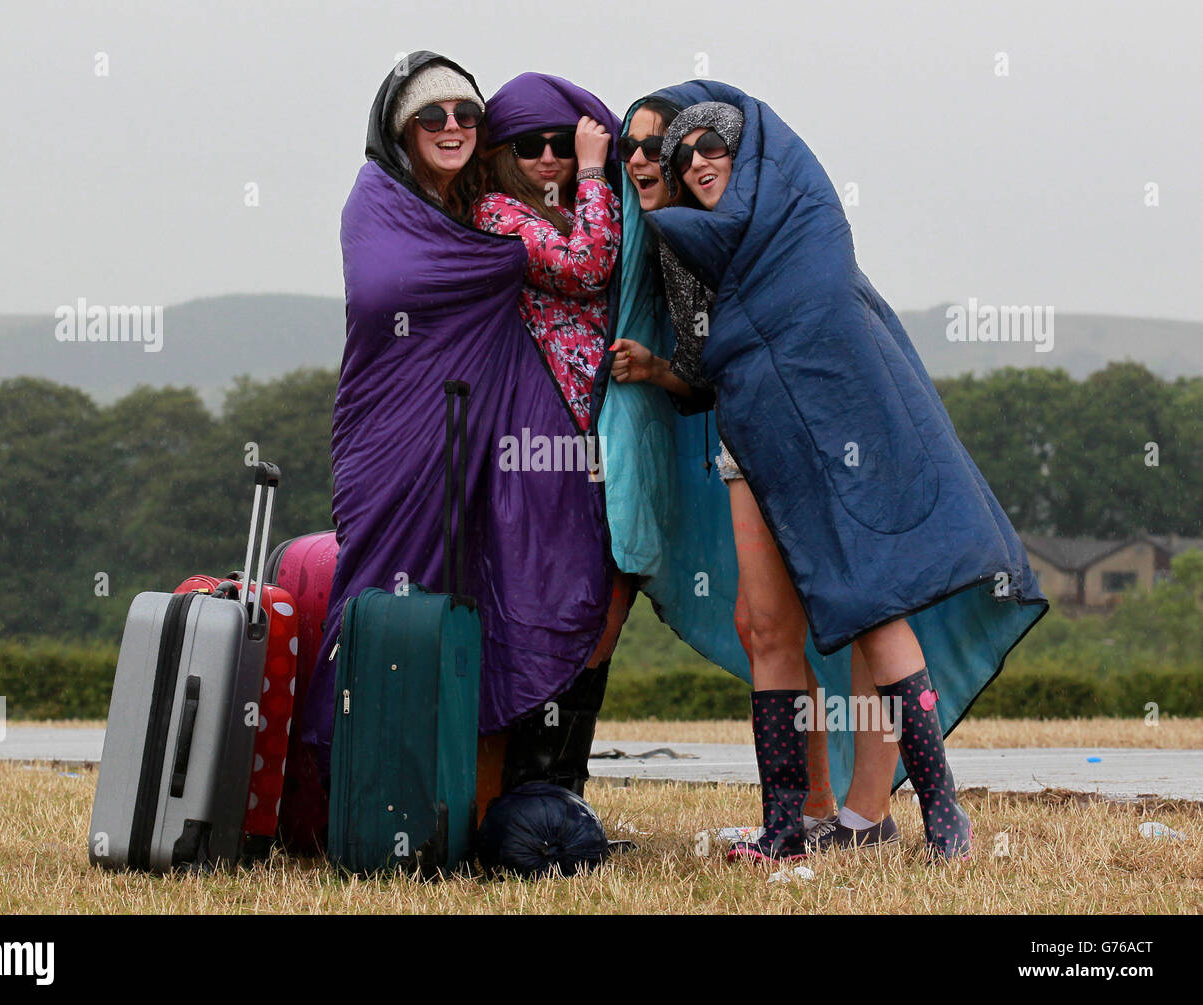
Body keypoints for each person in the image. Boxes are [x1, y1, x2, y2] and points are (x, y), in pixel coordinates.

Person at [598, 88, 1048, 862]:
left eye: (709, 146)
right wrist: (663, 369)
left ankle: (942, 811)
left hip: (835, 431)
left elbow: (825, 319)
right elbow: (712, 370)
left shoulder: (790, 225)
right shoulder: (681, 247)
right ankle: (786, 827)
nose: (681, 160)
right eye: (656, 150)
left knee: (872, 603)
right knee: (765, 624)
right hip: (751, 440)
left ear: (744, 154)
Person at [302, 53, 614, 789]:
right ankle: (360, 788)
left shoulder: (473, 200)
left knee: (472, 592)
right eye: (431, 116)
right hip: (396, 429)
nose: (451, 126)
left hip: (476, 432)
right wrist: (494, 260)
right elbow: (389, 290)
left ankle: (467, 797)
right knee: (387, 589)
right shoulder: (380, 201)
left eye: (466, 115)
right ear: (399, 128)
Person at [470, 73, 629, 798]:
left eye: (561, 146)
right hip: (543, 434)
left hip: (599, 434)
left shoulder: (585, 208)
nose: (547, 158)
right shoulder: (499, 212)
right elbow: (587, 267)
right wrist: (596, 171)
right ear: (501, 154)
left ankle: (564, 790)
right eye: (528, 146)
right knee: (553, 596)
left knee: (602, 599)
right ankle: (533, 792)